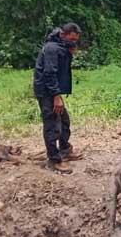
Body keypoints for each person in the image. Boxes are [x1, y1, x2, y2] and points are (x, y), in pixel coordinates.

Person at [33, 23, 83, 173]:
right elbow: (49, 73)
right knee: (52, 124)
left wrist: (70, 52)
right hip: (47, 91)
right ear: (63, 34)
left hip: (53, 90)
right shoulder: (52, 48)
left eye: (76, 40)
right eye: (72, 39)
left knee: (64, 120)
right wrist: (56, 96)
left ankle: (65, 150)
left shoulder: (61, 46)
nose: (74, 42)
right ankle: (53, 160)